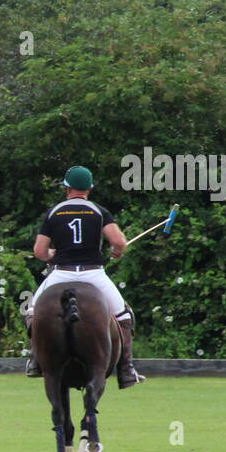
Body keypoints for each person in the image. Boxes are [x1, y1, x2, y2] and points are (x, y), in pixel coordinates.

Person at [25, 166, 145, 388]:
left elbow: (40, 252)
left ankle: (34, 361)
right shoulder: (99, 211)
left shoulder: (54, 212)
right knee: (124, 315)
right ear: (89, 189)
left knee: (33, 311)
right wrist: (117, 251)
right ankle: (126, 369)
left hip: (61, 273)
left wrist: (51, 253)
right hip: (93, 274)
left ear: (67, 188)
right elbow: (119, 242)